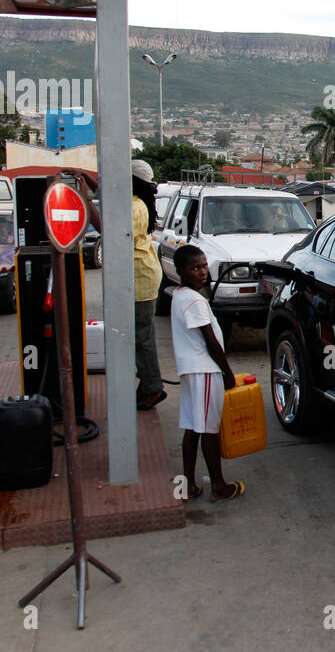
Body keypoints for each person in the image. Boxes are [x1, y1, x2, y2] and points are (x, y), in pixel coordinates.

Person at [67, 160, 166, 410]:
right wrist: (87, 180)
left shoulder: (134, 207)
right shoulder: (132, 200)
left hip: (139, 277)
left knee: (142, 338)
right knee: (138, 334)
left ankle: (153, 387)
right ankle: (147, 382)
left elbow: (108, 232)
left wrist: (85, 200)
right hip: (137, 275)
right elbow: (109, 193)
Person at [171, 244, 243, 503]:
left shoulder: (180, 295)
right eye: (194, 268)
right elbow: (211, 342)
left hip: (192, 370)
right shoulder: (194, 301)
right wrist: (227, 371)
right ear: (181, 271)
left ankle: (189, 485)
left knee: (193, 428)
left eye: (203, 266)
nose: (202, 272)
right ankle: (219, 486)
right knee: (209, 430)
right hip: (204, 370)